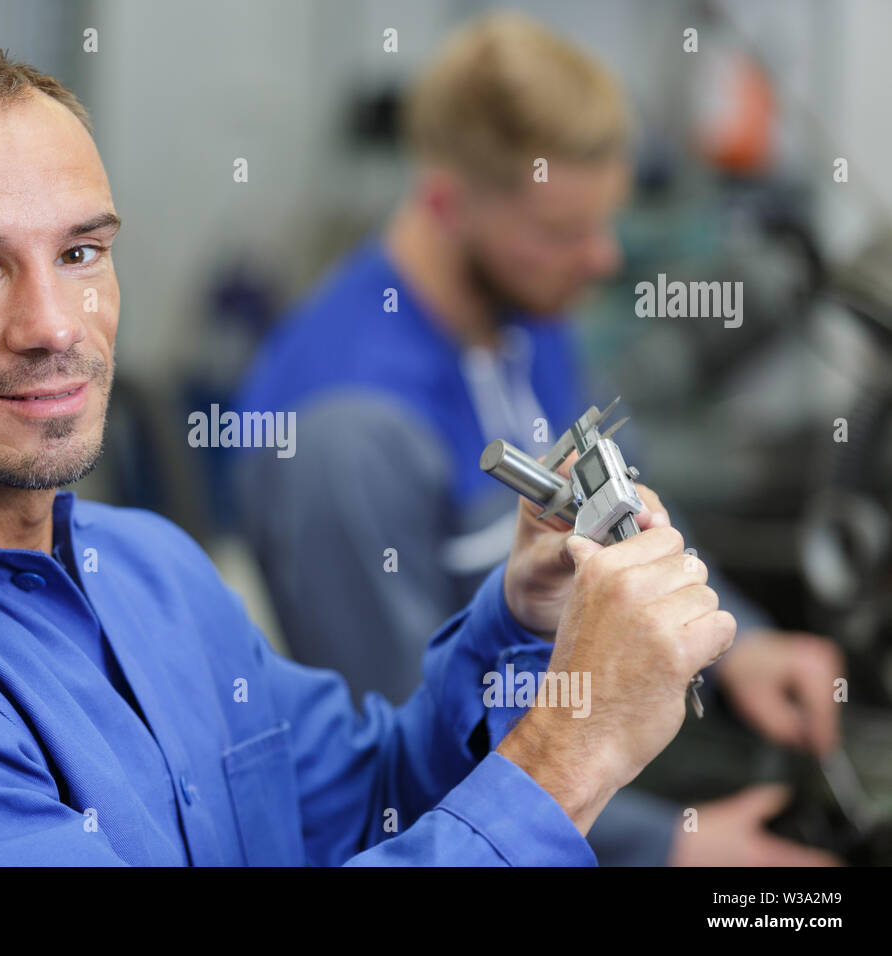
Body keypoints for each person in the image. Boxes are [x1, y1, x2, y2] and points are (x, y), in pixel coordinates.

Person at [0, 31, 734, 867]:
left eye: (82, 251)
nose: (54, 324)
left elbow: (369, 797)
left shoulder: (147, 567)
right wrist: (573, 749)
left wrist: (517, 623)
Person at [234, 12, 844, 866]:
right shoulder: (347, 432)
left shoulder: (526, 312)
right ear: (446, 202)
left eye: (605, 225)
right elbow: (403, 770)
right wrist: (670, 846)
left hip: (575, 733)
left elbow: (623, 510)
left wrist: (740, 642)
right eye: (563, 233)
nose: (599, 261)